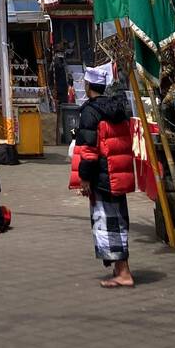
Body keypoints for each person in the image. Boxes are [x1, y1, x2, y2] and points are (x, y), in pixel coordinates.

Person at [70, 67, 135, 288]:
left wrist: (84, 178)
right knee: (118, 220)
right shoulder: (117, 109)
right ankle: (120, 269)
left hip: (102, 175)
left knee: (108, 222)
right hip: (118, 173)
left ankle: (123, 272)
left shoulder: (91, 112)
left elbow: (89, 150)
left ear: (88, 86)